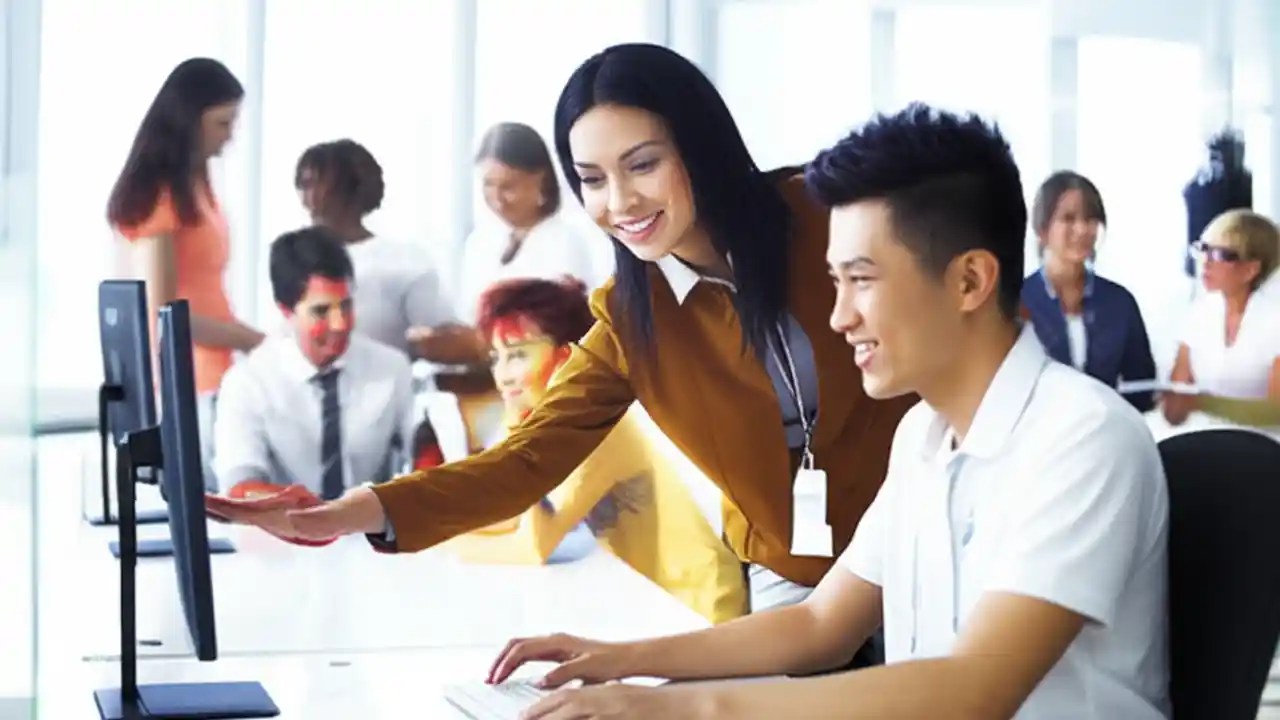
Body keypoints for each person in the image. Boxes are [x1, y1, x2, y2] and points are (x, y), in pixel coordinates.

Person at [483, 105, 1171, 719]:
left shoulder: (1081, 438)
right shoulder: (924, 436)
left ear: (969, 280)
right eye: (835, 281)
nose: (839, 317)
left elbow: (973, 692)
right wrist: (617, 662)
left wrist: (669, 710)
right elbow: (821, 625)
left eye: (862, 280)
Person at [206, 43, 915, 637]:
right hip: (795, 573)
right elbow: (521, 462)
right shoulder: (633, 322)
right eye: (592, 179)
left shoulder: (825, 216)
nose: (620, 202)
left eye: (643, 164)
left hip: (921, 535)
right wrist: (341, 512)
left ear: (700, 147)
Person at [444, 277, 748, 625]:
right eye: (495, 357)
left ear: (568, 356)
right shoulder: (559, 419)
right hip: (657, 598)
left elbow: (533, 548)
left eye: (517, 355)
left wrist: (445, 546)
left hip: (700, 606)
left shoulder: (596, 427)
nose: (502, 376)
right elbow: (507, 511)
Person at [108, 57, 264, 473]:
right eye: (222, 123)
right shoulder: (160, 198)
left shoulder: (197, 187)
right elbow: (163, 313)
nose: (230, 136)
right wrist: (250, 339)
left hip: (215, 375)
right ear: (188, 121)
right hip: (187, 382)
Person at [212, 228, 419, 501]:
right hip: (282, 523)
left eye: (346, 306)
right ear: (286, 310)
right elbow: (241, 486)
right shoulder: (247, 383)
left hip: (371, 522)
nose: (340, 324)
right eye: (321, 311)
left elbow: (426, 450)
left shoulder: (391, 368)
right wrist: (319, 515)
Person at [295, 139, 473, 361]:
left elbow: (450, 339)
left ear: (351, 188)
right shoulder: (293, 259)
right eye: (303, 185)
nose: (310, 198)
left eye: (317, 184)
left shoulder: (402, 262)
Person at [1020, 171, 1156, 411]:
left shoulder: (1120, 303)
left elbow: (1142, 390)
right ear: (1042, 229)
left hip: (1107, 428)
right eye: (1068, 218)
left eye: (1091, 218)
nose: (1082, 229)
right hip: (1036, 430)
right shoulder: (1015, 301)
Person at [457, 122, 607, 324]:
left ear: (540, 180)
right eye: (488, 184)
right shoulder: (480, 242)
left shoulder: (565, 242)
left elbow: (561, 326)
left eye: (508, 187)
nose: (497, 199)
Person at [1163, 209, 1280, 430]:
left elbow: (1276, 412)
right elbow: (1175, 411)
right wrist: (1169, 401)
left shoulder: (1274, 319)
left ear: (1251, 269)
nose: (1206, 262)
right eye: (1204, 249)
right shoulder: (1199, 313)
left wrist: (1205, 403)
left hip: (1263, 444)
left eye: (1221, 255)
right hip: (1205, 438)